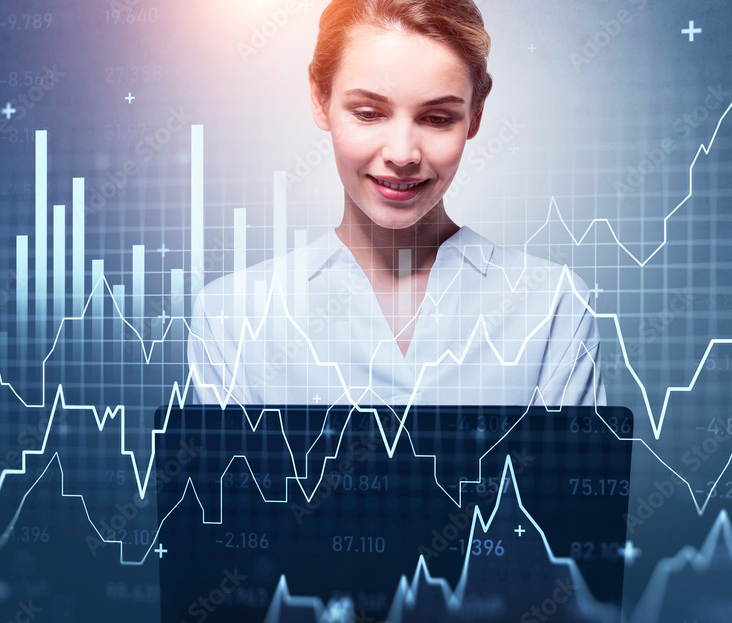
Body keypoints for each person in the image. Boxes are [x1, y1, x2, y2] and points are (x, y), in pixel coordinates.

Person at [189, 0, 605, 407]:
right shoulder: (234, 316)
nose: (403, 154)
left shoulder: (552, 305)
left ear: (475, 116)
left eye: (437, 118)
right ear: (320, 100)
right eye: (369, 113)